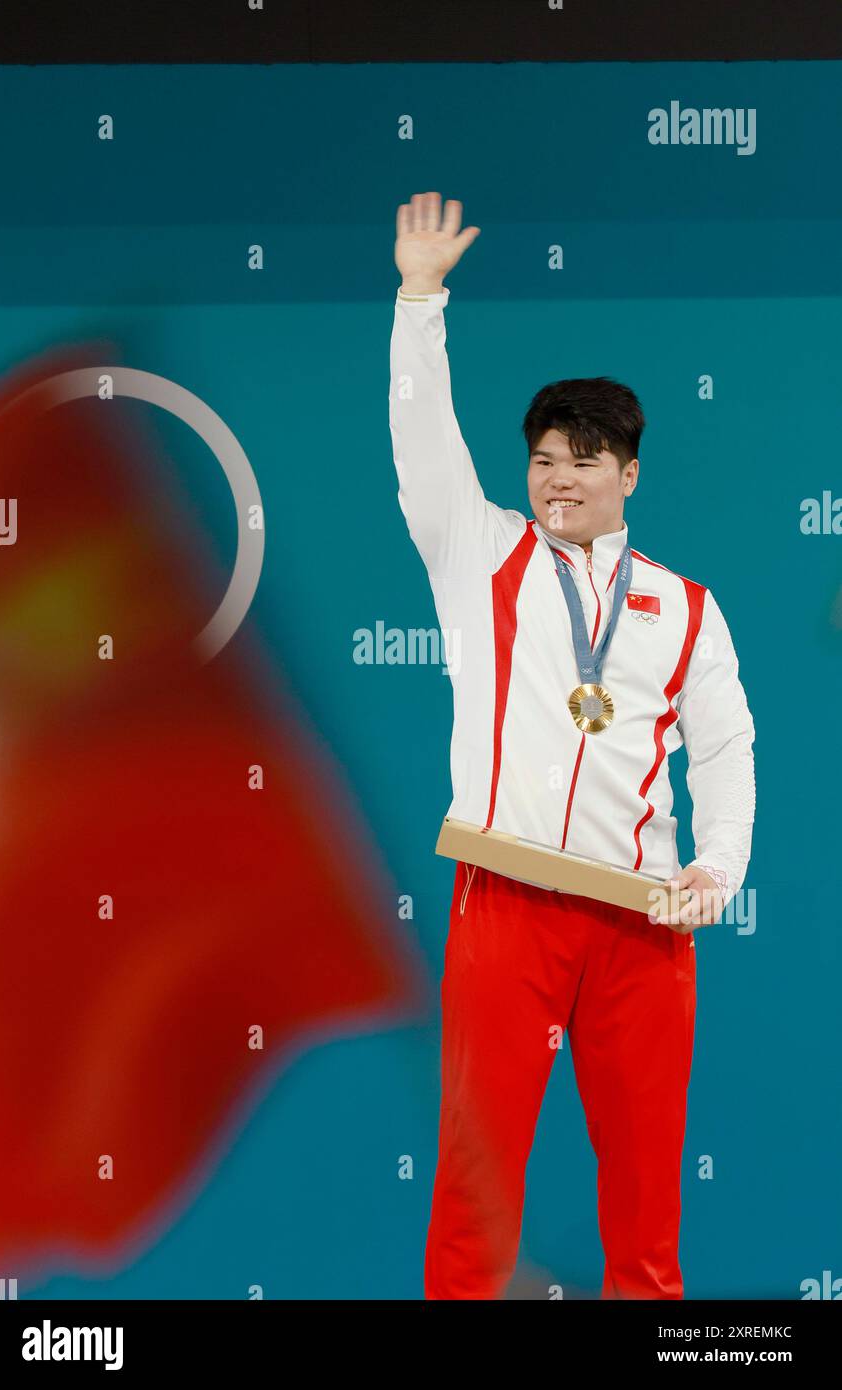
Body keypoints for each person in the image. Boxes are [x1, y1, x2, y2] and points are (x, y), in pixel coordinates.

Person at [388, 191, 756, 1301]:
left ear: (629, 473)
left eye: (585, 457)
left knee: (645, 1206)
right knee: (477, 1192)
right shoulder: (480, 556)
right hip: (508, 905)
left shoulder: (686, 606)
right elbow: (422, 439)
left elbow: (726, 748)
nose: (559, 476)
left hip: (645, 925)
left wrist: (719, 870)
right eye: (544, 456)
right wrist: (418, 299)